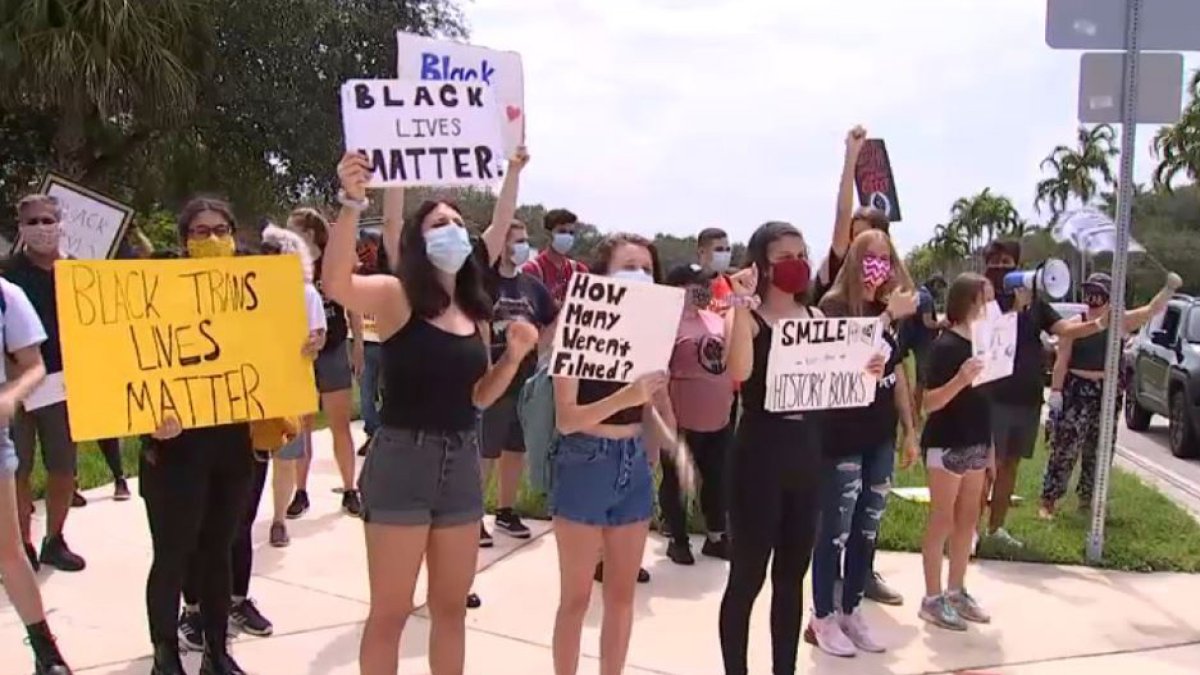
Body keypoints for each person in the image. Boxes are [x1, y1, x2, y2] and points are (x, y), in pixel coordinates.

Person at [325, 152, 538, 675]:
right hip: (403, 462)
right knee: (391, 612)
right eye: (440, 223)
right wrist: (353, 202)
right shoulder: (398, 297)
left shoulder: (473, 309)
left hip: (461, 462)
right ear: (418, 241)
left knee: (450, 609)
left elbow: (479, 398)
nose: (453, 231)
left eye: (459, 223)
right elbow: (336, 284)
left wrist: (511, 357)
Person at [140, 198, 318, 675]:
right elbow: (127, 364)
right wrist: (147, 422)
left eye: (220, 229)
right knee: (173, 554)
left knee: (219, 549)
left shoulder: (254, 293)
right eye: (199, 232)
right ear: (183, 241)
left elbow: (276, 355)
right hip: (171, 446)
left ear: (235, 235)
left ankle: (217, 653)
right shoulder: (154, 291)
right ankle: (165, 657)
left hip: (231, 445)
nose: (211, 239)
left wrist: (300, 347)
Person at [718, 222, 882, 675]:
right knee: (747, 578)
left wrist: (866, 368)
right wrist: (737, 305)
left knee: (790, 579)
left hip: (807, 456)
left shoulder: (817, 322)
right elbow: (740, 371)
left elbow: (842, 387)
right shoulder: (748, 320)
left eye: (800, 253)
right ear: (761, 265)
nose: (797, 263)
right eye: (784, 256)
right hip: (758, 454)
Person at [549, 232, 675, 675]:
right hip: (585, 459)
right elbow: (567, 418)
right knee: (577, 598)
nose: (639, 273)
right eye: (629, 264)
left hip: (633, 461)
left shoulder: (653, 331)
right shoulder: (577, 325)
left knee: (622, 595)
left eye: (646, 266)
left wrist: (665, 442)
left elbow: (657, 402)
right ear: (603, 274)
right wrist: (627, 397)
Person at [806, 230, 919, 656]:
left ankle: (851, 609)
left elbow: (897, 374)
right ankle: (821, 615)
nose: (879, 265)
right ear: (854, 259)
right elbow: (845, 361)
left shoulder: (887, 306)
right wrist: (887, 317)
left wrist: (909, 430)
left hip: (879, 432)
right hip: (842, 434)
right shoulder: (835, 306)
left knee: (866, 530)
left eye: (886, 257)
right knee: (833, 530)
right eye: (870, 256)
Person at [979, 240, 1109, 546]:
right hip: (993, 397)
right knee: (988, 467)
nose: (1001, 266)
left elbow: (1064, 329)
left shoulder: (1036, 304)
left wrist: (1100, 323)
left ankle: (996, 528)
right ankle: (971, 530)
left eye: (1007, 260)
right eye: (995, 261)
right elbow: (989, 336)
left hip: (1026, 397)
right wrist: (1013, 308)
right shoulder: (984, 299)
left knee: (1010, 465)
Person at [1040, 271, 1180, 519]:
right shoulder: (1075, 323)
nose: (1092, 297)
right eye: (1089, 291)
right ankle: (1049, 499)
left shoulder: (1120, 322)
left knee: (1100, 447)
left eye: (1097, 291)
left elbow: (1150, 311)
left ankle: (1088, 500)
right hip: (1077, 388)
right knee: (1066, 446)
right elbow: (1062, 360)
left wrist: (1168, 290)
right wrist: (1057, 393)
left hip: (1107, 391)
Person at [4, 195, 85, 573]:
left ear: (61, 223)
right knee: (16, 468)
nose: (41, 228)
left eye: (47, 220)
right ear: (20, 228)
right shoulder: (6, 274)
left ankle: (55, 539)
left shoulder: (79, 273)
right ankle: (21, 543)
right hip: (15, 386)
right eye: (32, 222)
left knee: (63, 465)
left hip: (66, 385)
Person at [0, 273, 73, 674]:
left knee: (9, 550)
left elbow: (33, 366)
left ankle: (46, 653)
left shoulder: (6, 295)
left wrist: (11, 397)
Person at [918, 272, 993, 632]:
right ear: (969, 301)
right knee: (942, 519)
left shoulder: (987, 344)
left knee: (967, 519)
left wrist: (989, 447)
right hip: (946, 441)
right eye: (985, 298)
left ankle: (956, 589)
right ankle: (932, 597)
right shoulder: (945, 346)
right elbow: (929, 402)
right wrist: (960, 380)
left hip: (976, 439)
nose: (991, 305)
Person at [478, 215, 555, 546]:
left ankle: (506, 510)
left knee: (515, 448)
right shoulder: (483, 283)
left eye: (524, 239)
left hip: (525, 380)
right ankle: (473, 512)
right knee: (485, 450)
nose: (521, 246)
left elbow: (551, 320)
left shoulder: (531, 287)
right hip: (493, 376)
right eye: (515, 240)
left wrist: (542, 344)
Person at [286, 208, 365, 518]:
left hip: (332, 348)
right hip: (300, 353)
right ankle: (300, 491)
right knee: (301, 425)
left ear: (309, 232)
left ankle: (349, 488)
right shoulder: (287, 266)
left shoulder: (331, 263)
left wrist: (357, 344)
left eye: (294, 229)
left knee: (339, 425)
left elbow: (353, 306)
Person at [659, 262, 733, 566]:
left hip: (719, 419)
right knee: (677, 480)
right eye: (694, 284)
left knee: (717, 479)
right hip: (681, 418)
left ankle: (716, 536)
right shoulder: (664, 326)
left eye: (704, 283)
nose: (702, 289)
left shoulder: (716, 320)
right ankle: (678, 539)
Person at [259, 224, 327, 548]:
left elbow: (319, 335)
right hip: (253, 384)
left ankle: (278, 520)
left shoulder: (307, 294)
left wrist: (314, 343)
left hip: (289, 384)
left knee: (285, 458)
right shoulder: (246, 292)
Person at [811, 125, 891, 305]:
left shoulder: (886, 292)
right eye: (855, 236)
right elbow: (843, 213)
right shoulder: (842, 263)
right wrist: (851, 157)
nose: (858, 243)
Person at [355, 227, 388, 456]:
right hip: (365, 343)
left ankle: (385, 435)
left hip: (389, 342)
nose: (363, 252)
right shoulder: (357, 274)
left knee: (389, 392)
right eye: (359, 248)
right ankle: (372, 432)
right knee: (366, 394)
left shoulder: (391, 274)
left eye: (368, 246)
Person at [520, 208, 588, 306]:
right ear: (548, 234)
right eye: (562, 231)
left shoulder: (580, 270)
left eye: (571, 233)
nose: (568, 236)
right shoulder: (533, 270)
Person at [906, 274, 948, 415]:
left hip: (915, 341)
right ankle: (916, 412)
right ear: (935, 284)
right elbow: (928, 322)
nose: (940, 292)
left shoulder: (919, 294)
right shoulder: (927, 298)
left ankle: (915, 410)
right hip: (923, 343)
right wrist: (942, 324)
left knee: (919, 378)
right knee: (922, 379)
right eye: (940, 288)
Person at [697, 227, 735, 313]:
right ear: (702, 252)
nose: (725, 255)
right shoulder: (687, 286)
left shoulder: (733, 285)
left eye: (728, 250)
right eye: (719, 250)